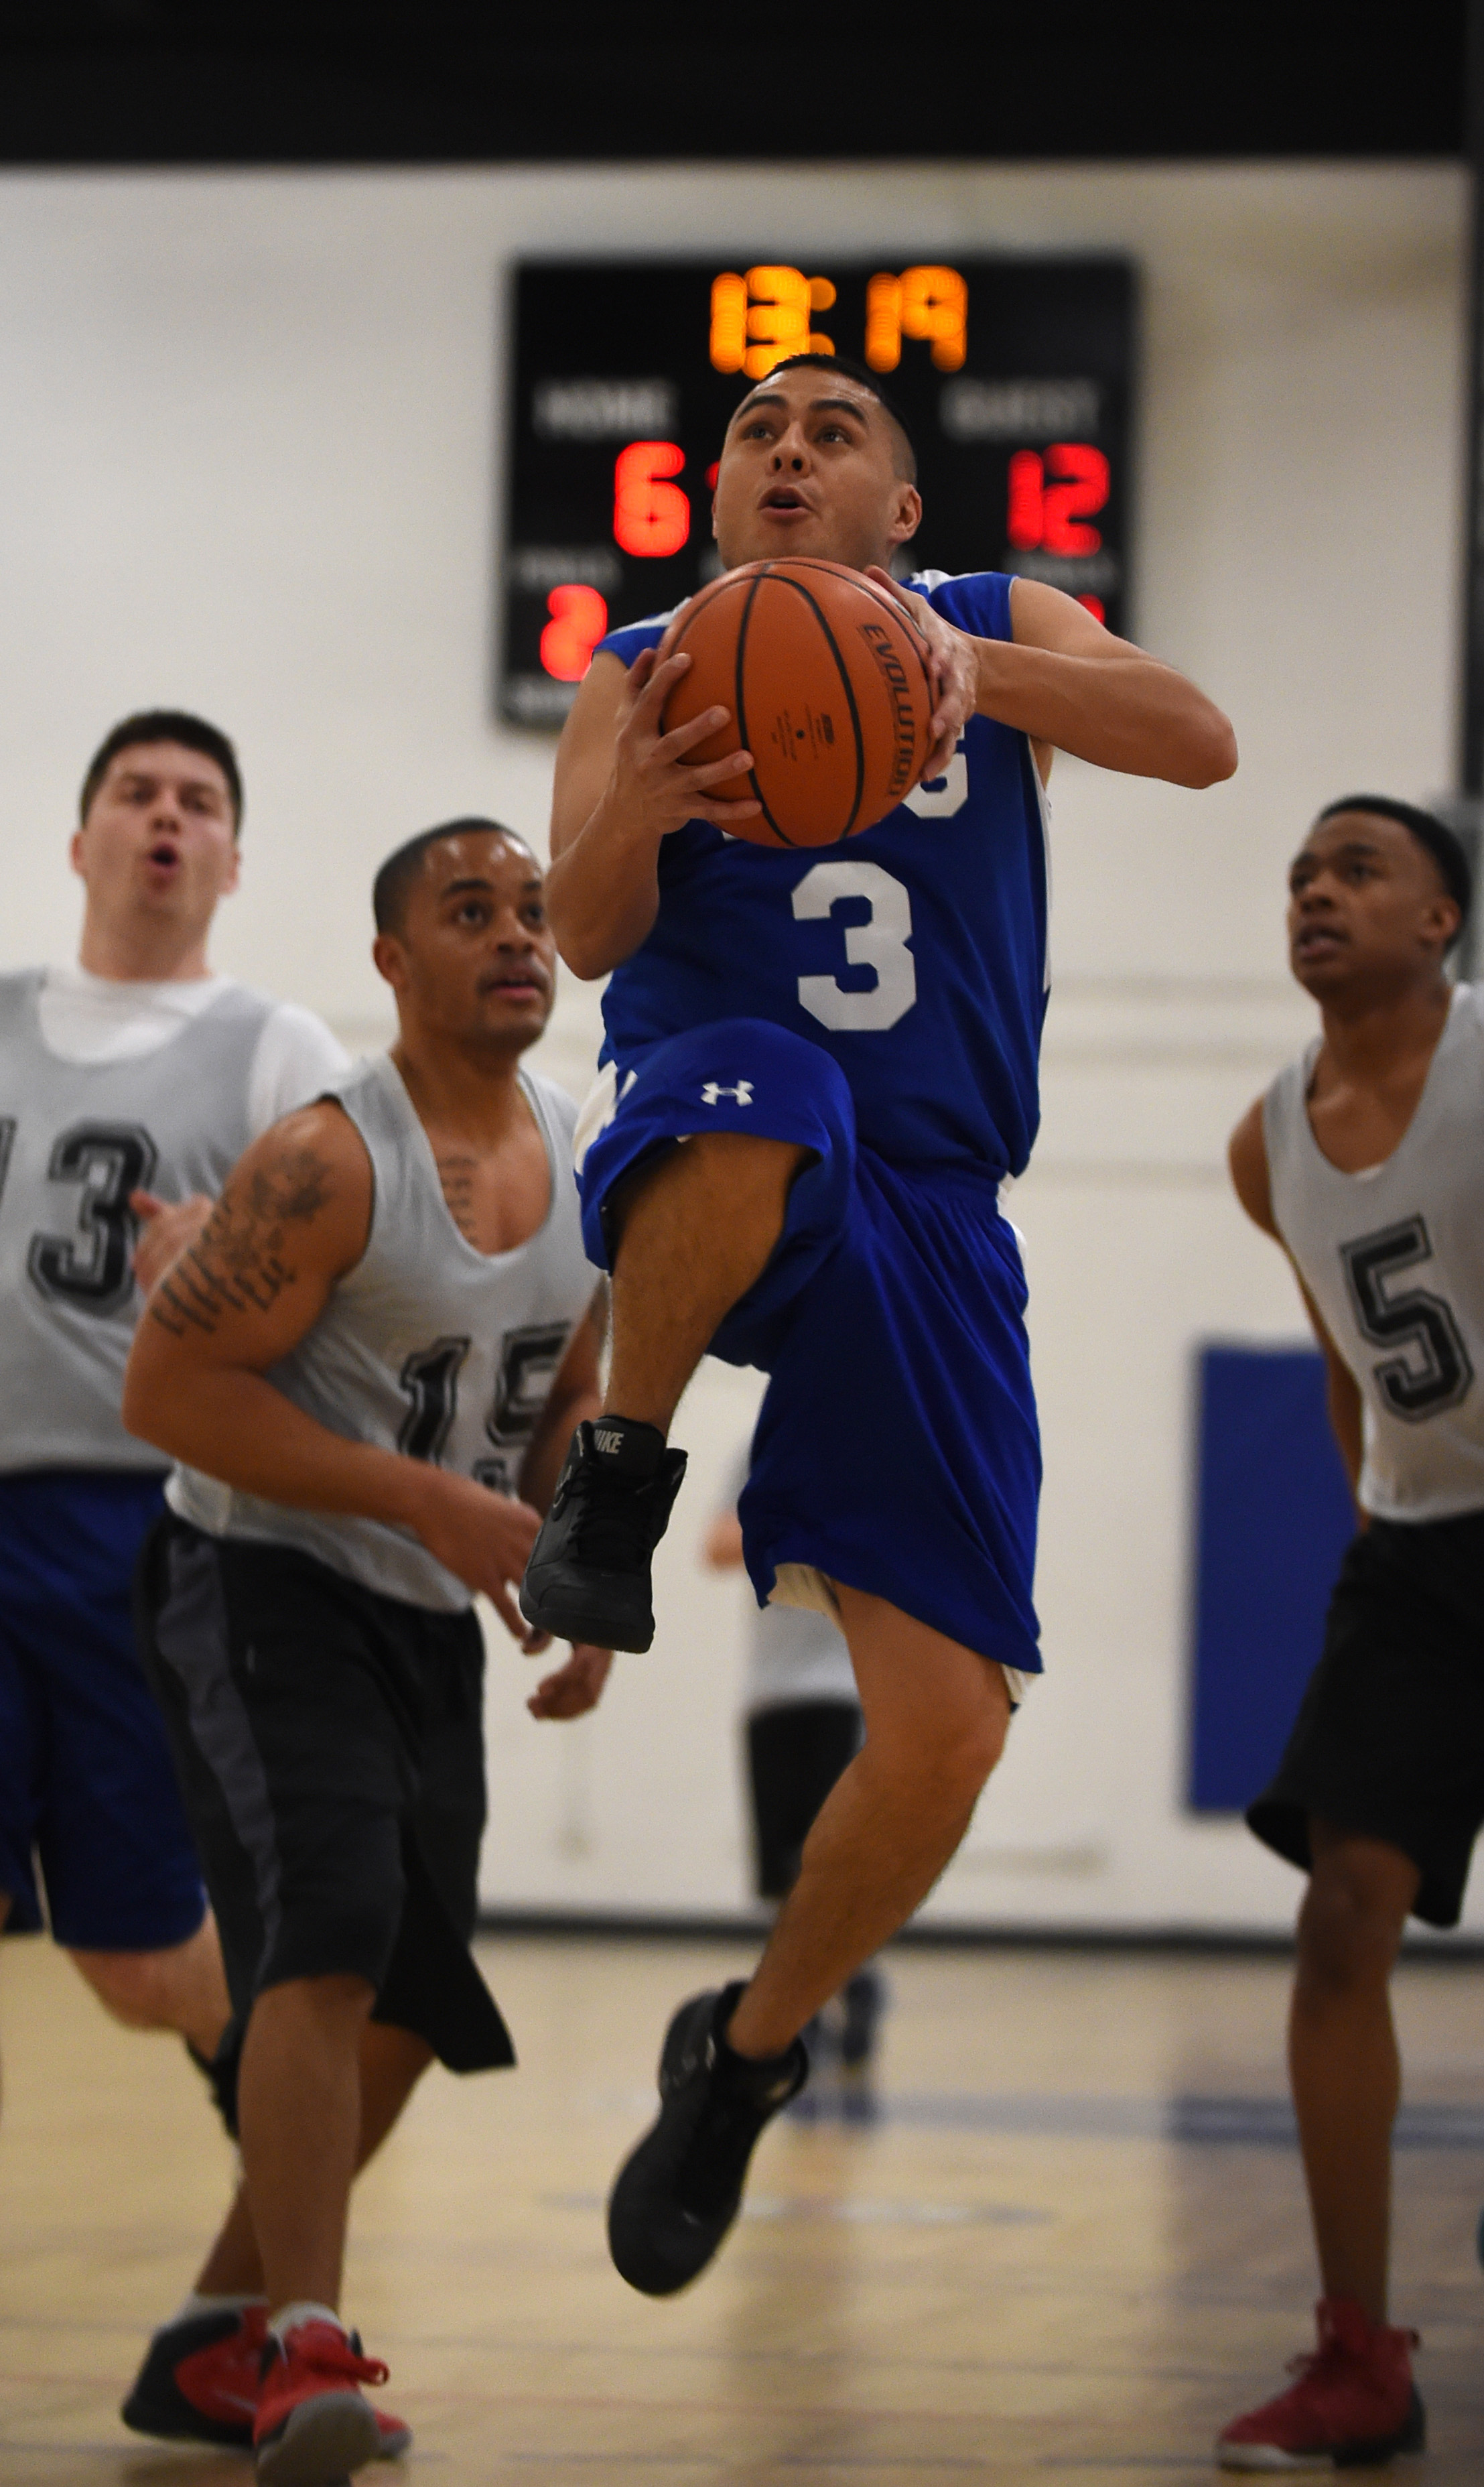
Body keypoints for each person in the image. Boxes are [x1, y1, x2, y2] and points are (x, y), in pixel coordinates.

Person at [517, 348, 1237, 2296]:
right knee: (760, 1075)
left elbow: (1200, 736)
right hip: (713, 1134)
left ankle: (747, 2054)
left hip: (929, 1203)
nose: (786, 447)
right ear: (713, 489)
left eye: (832, 431)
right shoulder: (643, 662)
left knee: (940, 1738)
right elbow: (581, 935)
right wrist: (648, 806)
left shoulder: (992, 620)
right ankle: (623, 1474)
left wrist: (965, 675)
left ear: (901, 510)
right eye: (754, 429)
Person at [121, 819, 610, 2486]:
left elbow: (572, 1406)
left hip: (415, 1610)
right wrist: (429, 1503)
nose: (516, 938)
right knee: (323, 1939)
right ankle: (305, 2338)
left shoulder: (587, 1156)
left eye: (535, 912)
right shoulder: (331, 1157)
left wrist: (585, 1582)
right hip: (255, 1578)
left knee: (409, 1995)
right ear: (394, 962)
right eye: (471, 913)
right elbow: (171, 1397)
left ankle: (212, 2334)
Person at [0, 709, 346, 2109]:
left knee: (137, 1958)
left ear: (233, 859)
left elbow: (366, 1293)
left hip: (142, 1532)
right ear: (80, 839)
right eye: (137, 793)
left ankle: (289, 2126)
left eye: (198, 801)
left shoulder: (278, 1049)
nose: (166, 817)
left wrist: (247, 1262)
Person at [1216, 795, 1481, 2470]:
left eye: (1357, 868)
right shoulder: (1265, 1143)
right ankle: (1355, 2355)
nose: (1317, 890)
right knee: (1338, 1919)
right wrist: (1370, 1513)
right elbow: (1343, 1356)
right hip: (1425, 1549)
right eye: (1301, 873)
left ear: (1441, 921)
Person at [703, 1454, 882, 2094]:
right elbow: (720, 1545)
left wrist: (788, 1531)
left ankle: (854, 1984)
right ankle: (800, 2012)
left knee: (828, 1861)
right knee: (779, 1870)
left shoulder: (870, 1449)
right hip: (770, 1691)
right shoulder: (763, 1448)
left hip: (843, 1689)